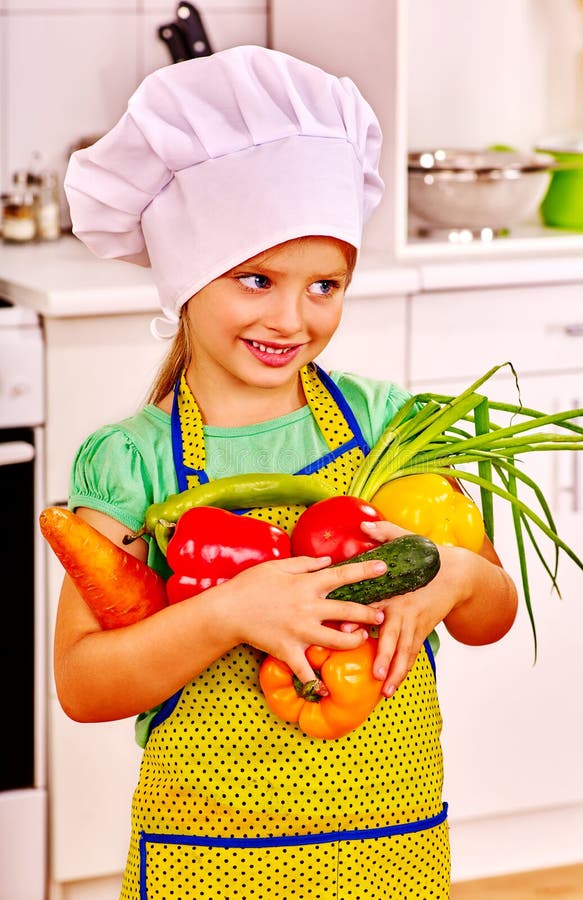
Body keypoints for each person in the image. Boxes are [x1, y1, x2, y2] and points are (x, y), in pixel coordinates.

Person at [58, 45, 518, 899]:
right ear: (188, 276)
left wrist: (453, 577)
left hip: (387, 847)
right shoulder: (132, 464)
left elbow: (493, 613)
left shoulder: (393, 431)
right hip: (212, 860)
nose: (290, 317)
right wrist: (230, 612)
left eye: (324, 285)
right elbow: (84, 686)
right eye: (256, 278)